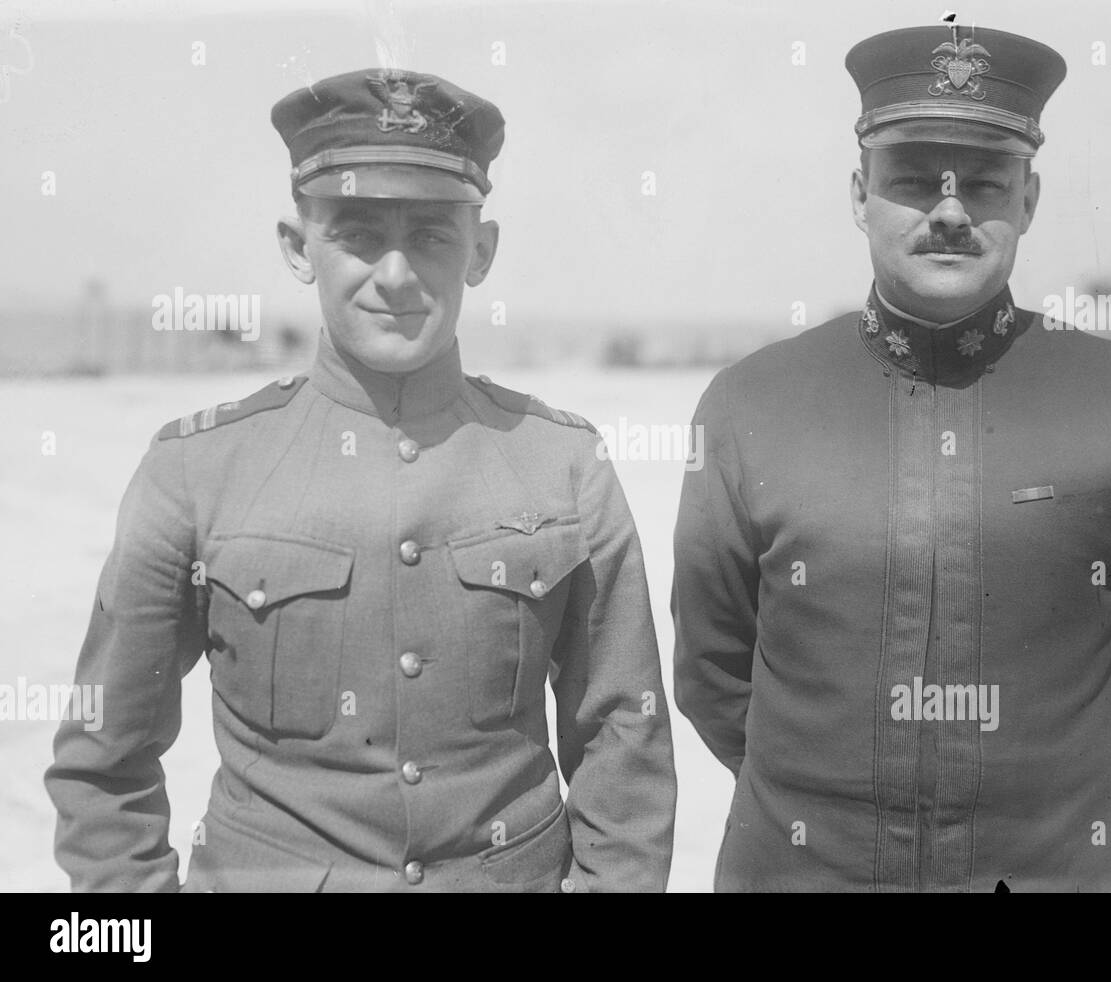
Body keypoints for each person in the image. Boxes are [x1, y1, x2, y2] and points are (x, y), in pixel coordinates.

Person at [45, 68, 676, 893]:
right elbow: (104, 763)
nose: (395, 274)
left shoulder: (562, 465)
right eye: (356, 233)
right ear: (296, 245)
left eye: (431, 236)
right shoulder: (195, 472)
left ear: (481, 252)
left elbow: (622, 742)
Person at [671, 24, 1111, 892]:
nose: (950, 211)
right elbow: (713, 674)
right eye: (910, 180)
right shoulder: (751, 406)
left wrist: (1050, 814)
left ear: (1031, 198)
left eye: (984, 181)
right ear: (859, 193)